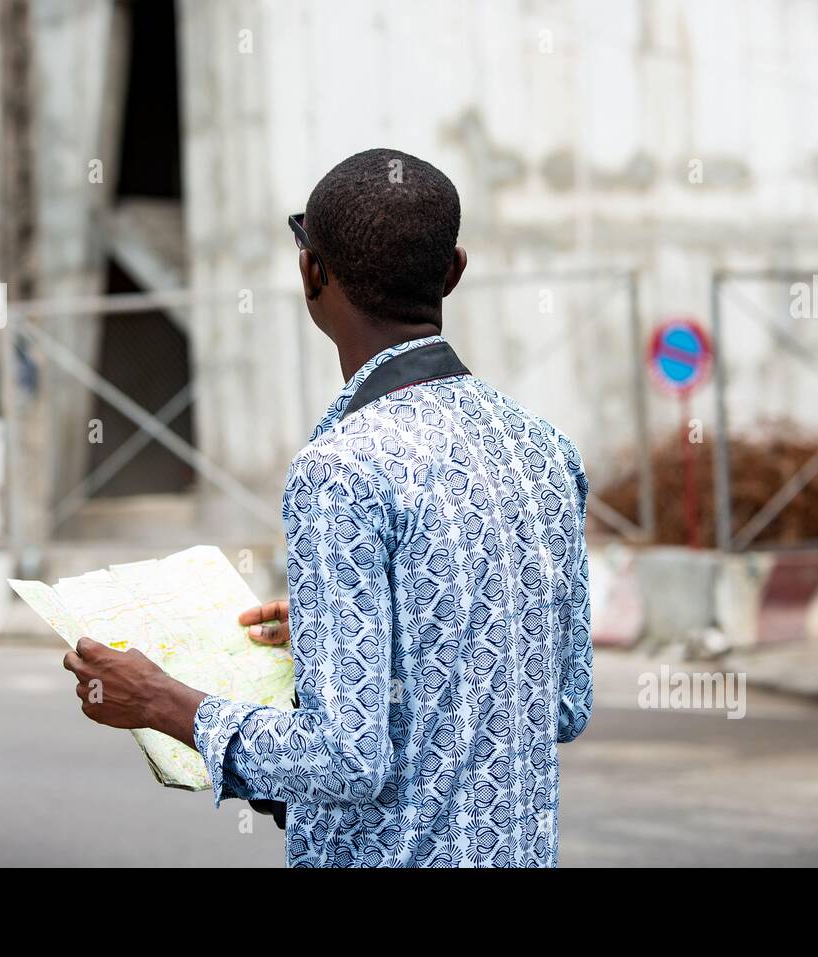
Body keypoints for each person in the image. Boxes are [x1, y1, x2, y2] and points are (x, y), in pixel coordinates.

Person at [63, 148, 593, 867]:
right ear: (453, 270)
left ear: (311, 271)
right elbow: (561, 703)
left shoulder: (341, 468)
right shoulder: (544, 449)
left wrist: (163, 702)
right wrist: (375, 633)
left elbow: (346, 759)